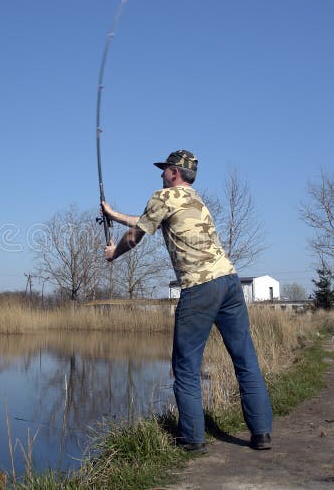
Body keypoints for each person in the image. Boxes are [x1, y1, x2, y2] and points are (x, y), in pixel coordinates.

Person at [101, 149, 273, 452]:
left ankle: (193, 439)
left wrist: (113, 254)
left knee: (186, 367)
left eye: (165, 169)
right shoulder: (196, 200)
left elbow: (136, 236)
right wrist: (113, 215)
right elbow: (147, 221)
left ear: (175, 172)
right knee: (245, 359)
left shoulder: (163, 196)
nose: (161, 174)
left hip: (200, 287)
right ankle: (261, 434)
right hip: (230, 283)